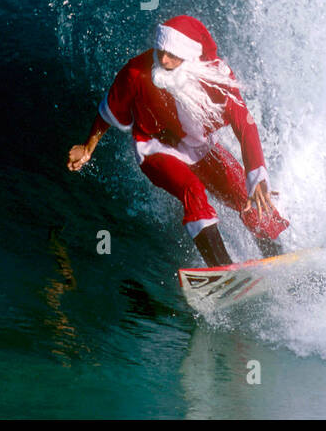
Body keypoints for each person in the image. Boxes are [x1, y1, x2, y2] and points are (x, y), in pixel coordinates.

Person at [67, 14, 289, 267]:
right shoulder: (137, 72)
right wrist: (88, 147)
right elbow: (108, 110)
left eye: (172, 55)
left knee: (245, 192)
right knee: (192, 190)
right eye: (161, 50)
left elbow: (244, 124)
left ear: (189, 54)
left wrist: (257, 176)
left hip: (201, 147)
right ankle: (222, 269)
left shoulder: (215, 77)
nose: (163, 59)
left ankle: (280, 257)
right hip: (156, 148)